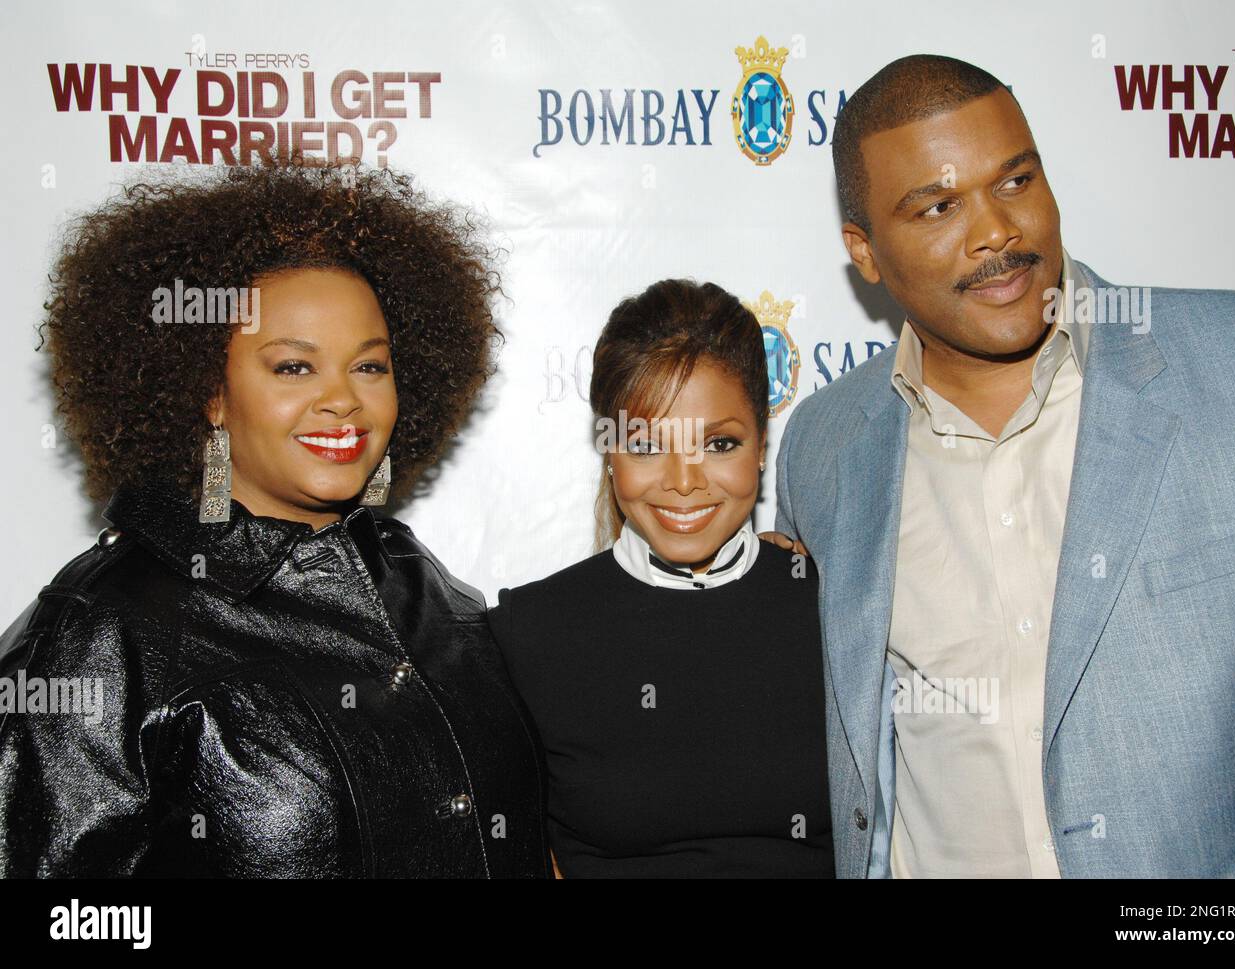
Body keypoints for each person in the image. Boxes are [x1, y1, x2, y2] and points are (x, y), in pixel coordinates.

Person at [773, 54, 1235, 878]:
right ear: (864, 252)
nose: (997, 233)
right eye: (939, 206)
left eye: (1015, 182)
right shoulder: (823, 447)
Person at [0, 159, 550, 878]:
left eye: (370, 366)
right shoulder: (100, 636)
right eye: (294, 367)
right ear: (210, 392)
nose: (342, 401)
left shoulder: (424, 587)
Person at [488, 279, 834, 877]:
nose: (684, 480)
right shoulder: (529, 633)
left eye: (718, 443)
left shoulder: (834, 605)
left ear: (760, 445)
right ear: (610, 451)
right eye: (647, 445)